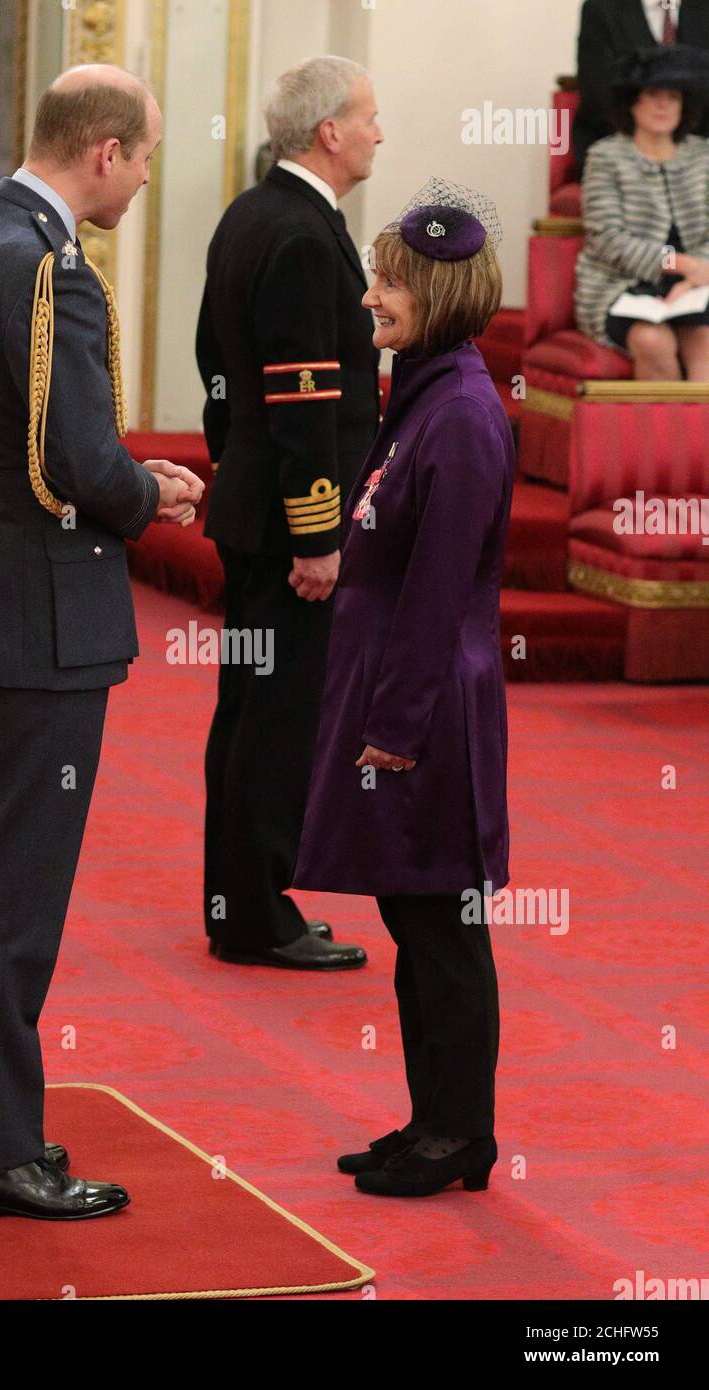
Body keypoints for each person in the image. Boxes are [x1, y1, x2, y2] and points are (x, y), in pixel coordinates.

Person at [0, 65, 203, 1220]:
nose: (141, 180)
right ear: (104, 151)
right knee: (14, 893)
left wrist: (120, 476)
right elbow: (77, 463)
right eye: (141, 159)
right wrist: (150, 495)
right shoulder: (53, 272)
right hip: (41, 610)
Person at [291, 179, 515, 1197]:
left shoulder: (462, 416)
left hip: (428, 715)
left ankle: (462, 1133)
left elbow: (434, 595)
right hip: (394, 696)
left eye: (392, 282)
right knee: (412, 920)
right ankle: (432, 1119)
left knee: (442, 926)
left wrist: (394, 726)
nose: (372, 296)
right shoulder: (425, 392)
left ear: (438, 292)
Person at [195, 56, 383, 971]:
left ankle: (234, 902)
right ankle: (258, 917)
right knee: (276, 720)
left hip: (248, 507)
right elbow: (307, 401)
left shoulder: (250, 212)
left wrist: (231, 463)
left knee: (243, 711)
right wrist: (320, 536)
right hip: (287, 528)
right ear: (330, 133)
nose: (380, 133)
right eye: (370, 119)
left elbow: (214, 367)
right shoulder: (307, 237)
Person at [575, 44, 709, 376]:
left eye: (673, 96)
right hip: (620, 285)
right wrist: (680, 263)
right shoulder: (606, 157)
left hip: (696, 283)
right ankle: (664, 428)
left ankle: (697, 429)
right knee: (653, 341)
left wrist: (697, 276)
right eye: (653, 94)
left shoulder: (703, 156)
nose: (664, 104)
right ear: (632, 101)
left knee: (704, 337)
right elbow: (608, 240)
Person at [573, 0, 709, 176]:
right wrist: (650, 150)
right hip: (620, 149)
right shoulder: (600, 9)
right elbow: (597, 95)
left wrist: (685, 153)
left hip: (699, 148)